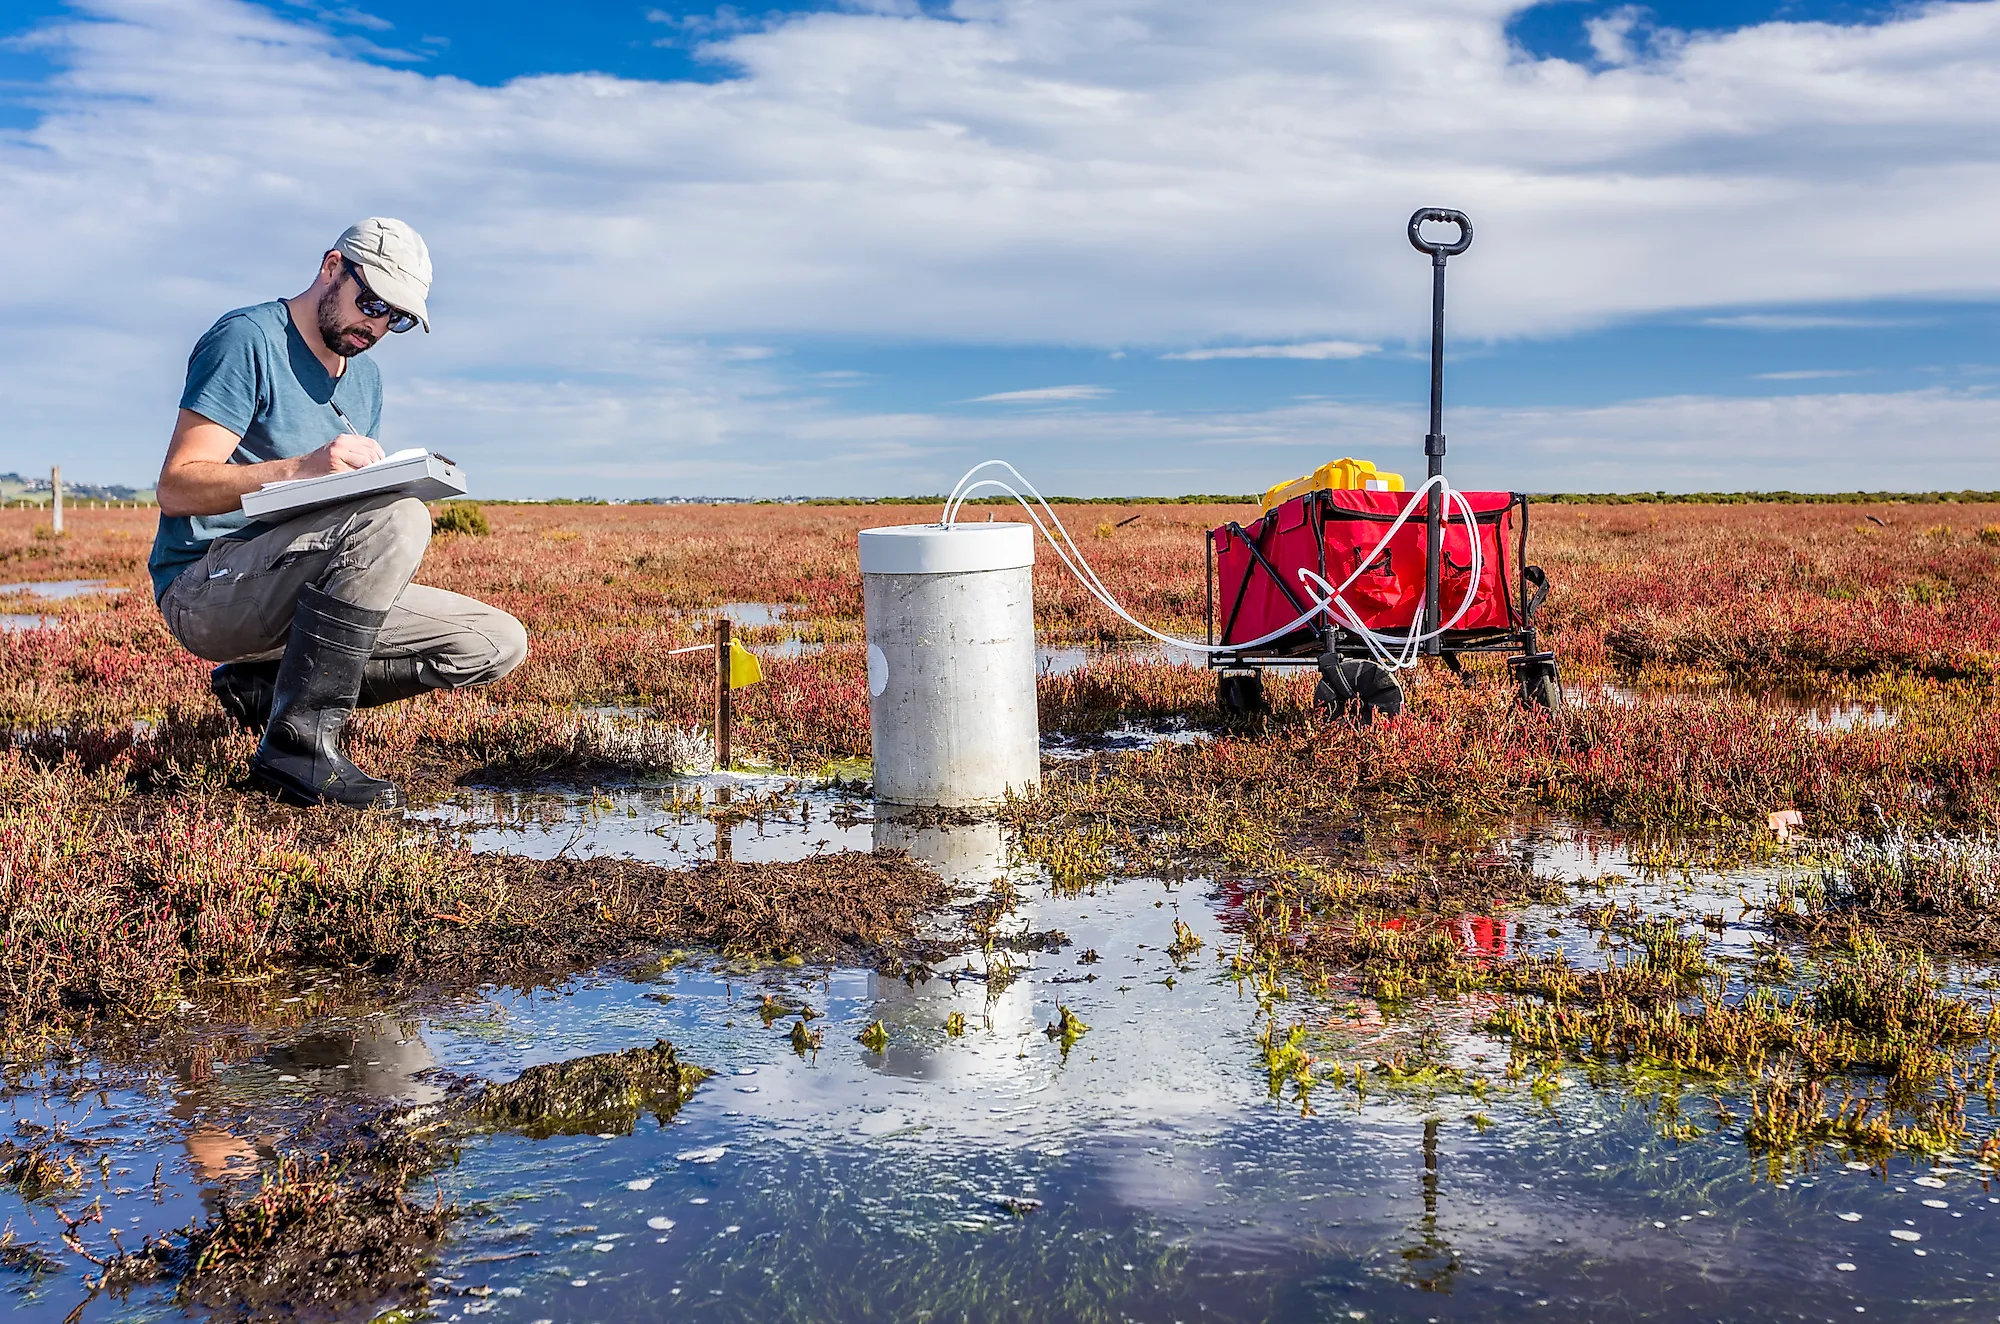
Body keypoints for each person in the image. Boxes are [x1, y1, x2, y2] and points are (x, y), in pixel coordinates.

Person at [149, 218, 527, 808]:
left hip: (293, 581)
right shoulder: (247, 339)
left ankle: (268, 690)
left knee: (496, 642)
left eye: (395, 318)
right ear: (331, 267)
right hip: (207, 588)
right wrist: (301, 467)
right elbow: (177, 488)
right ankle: (297, 749)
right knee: (400, 518)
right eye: (371, 301)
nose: (376, 325)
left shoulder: (366, 378)